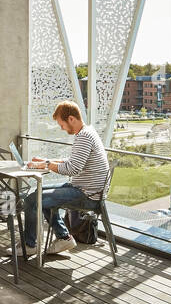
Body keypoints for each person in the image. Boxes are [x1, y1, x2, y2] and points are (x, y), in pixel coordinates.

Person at [23, 101, 109, 255]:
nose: (61, 128)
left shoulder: (84, 136)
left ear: (70, 119)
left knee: (31, 200)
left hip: (87, 195)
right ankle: (64, 238)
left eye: (61, 124)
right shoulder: (88, 132)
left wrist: (47, 164)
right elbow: (72, 162)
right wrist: (45, 162)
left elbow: (72, 169)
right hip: (86, 190)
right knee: (41, 195)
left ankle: (30, 246)